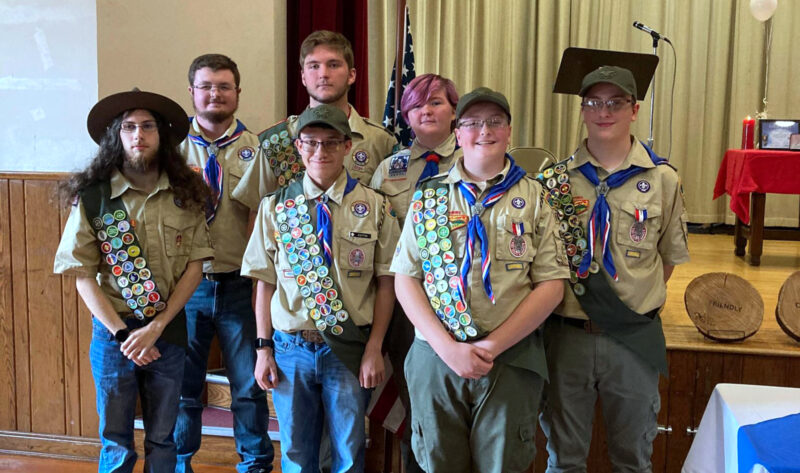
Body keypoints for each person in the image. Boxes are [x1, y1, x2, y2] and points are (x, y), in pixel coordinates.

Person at [391, 87, 569, 473]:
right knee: (438, 461)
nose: (483, 131)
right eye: (472, 123)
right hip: (437, 356)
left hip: (510, 356)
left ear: (508, 131)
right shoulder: (429, 196)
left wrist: (492, 345)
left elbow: (552, 285)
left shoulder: (536, 197)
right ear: (458, 132)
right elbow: (406, 279)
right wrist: (448, 349)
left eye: (494, 122)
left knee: (503, 464)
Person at [539, 59, 690, 472]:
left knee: (632, 459)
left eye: (615, 103)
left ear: (634, 109)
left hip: (632, 338)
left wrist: (630, 304)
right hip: (568, 336)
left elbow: (667, 259)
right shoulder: (554, 182)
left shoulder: (663, 180)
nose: (604, 112)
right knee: (564, 459)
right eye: (593, 102)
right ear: (582, 109)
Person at [54, 89, 214, 473]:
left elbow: (195, 267)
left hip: (169, 331)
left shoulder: (186, 193)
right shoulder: (94, 197)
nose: (138, 135)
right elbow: (81, 274)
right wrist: (125, 335)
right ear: (116, 135)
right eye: (128, 127)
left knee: (164, 438)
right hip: (113, 336)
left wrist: (157, 327)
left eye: (147, 126)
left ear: (161, 135)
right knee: (116, 439)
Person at [242, 104, 400, 473]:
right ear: (298, 146)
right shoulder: (277, 207)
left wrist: (375, 347)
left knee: (348, 452)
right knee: (296, 452)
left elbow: (386, 284)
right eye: (311, 143)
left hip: (348, 347)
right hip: (290, 348)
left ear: (347, 146)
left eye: (331, 143)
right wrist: (263, 349)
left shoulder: (375, 206)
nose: (320, 152)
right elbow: (264, 284)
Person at [174, 54, 276, 473]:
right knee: (184, 386)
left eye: (223, 86)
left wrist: (258, 285)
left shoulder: (257, 149)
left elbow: (262, 220)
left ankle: (254, 464)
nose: (214, 93)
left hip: (239, 286)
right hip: (187, 285)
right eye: (206, 86)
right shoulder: (173, 149)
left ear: (237, 93)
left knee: (248, 386)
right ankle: (179, 463)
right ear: (192, 92)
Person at [369, 72, 460, 473]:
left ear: (454, 111)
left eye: (436, 102)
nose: (426, 110)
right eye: (416, 105)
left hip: (458, 305)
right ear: (405, 115)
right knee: (412, 408)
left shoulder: (475, 159)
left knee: (457, 410)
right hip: (405, 308)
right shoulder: (391, 170)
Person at [259, 30, 397, 187]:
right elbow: (256, 209)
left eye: (333, 65)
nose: (323, 74)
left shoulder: (381, 141)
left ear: (351, 75)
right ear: (303, 77)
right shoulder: (275, 140)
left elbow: (389, 207)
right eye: (314, 66)